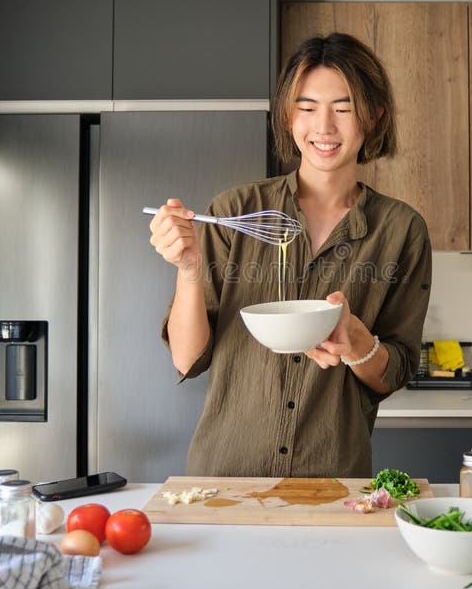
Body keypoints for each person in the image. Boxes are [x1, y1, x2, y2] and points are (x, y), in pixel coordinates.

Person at [149, 32, 431, 478]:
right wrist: (188, 269)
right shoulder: (235, 211)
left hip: (333, 479)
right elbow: (188, 360)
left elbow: (392, 373)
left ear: (374, 116)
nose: (324, 127)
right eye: (307, 107)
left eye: (343, 108)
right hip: (227, 480)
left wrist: (356, 342)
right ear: (287, 115)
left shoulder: (401, 230)